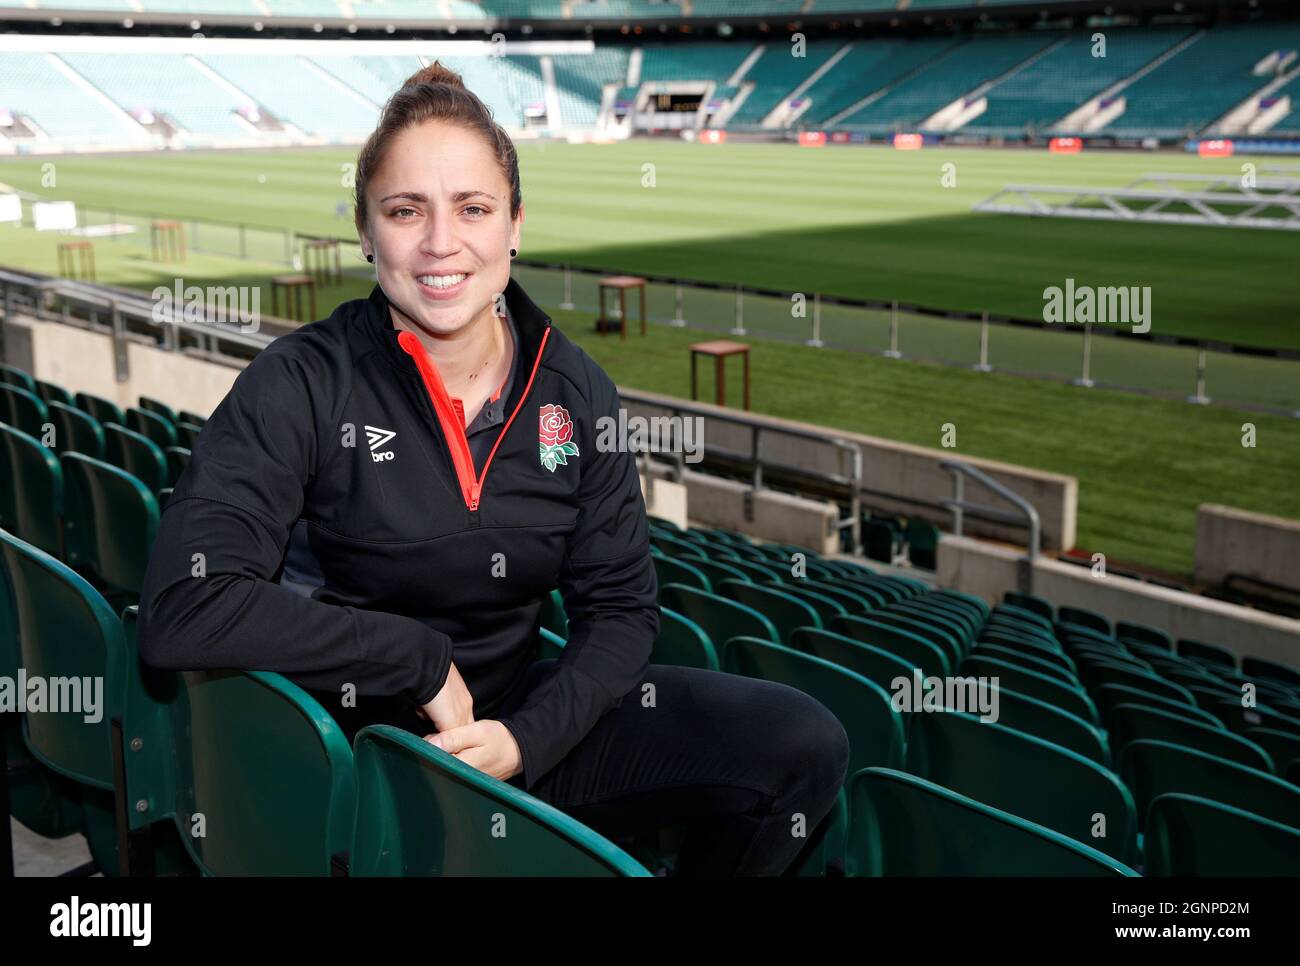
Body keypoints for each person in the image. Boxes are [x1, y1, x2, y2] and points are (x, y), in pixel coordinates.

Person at [136, 61, 849, 876]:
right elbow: (181, 609)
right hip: (339, 749)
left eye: (472, 209)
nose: (442, 243)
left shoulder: (575, 389)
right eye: (406, 211)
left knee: (801, 744)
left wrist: (525, 738)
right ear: (366, 233)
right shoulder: (300, 382)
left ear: (513, 224)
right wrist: (416, 659)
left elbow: (619, 611)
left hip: (507, 736)